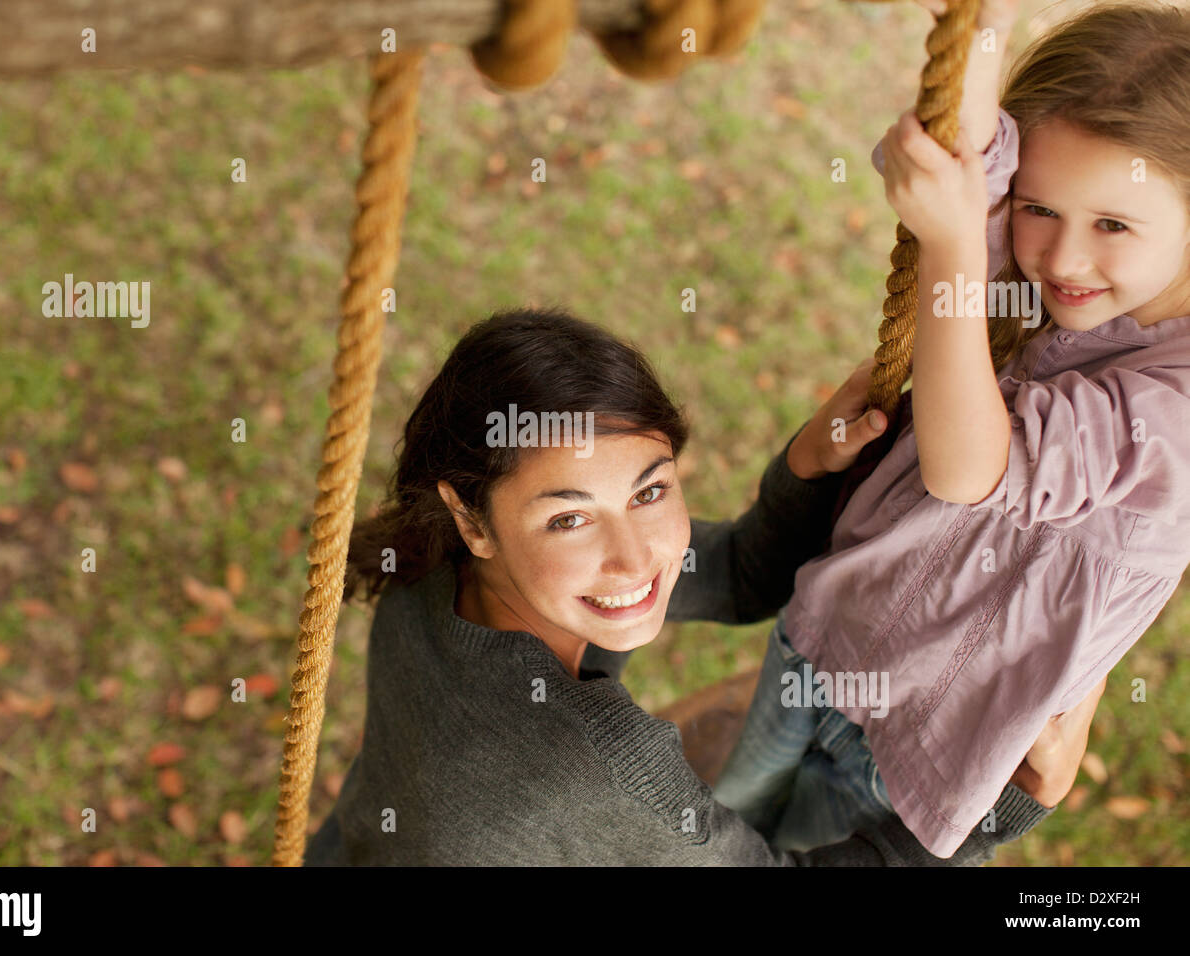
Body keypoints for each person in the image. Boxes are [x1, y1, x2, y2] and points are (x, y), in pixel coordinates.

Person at [304, 307, 1089, 865]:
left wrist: (808, 468)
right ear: (471, 518)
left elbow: (734, 577)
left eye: (650, 492)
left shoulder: (432, 562)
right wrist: (1001, 807)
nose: (635, 557)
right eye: (569, 520)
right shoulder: (590, 767)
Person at [713, 0, 1190, 858]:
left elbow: (973, 469)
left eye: (1113, 225)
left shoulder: (1177, 409)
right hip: (824, 637)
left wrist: (955, 253)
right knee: (714, 837)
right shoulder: (1073, 270)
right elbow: (968, 153)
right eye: (1039, 209)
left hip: (919, 750)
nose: (1060, 258)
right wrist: (984, 27)